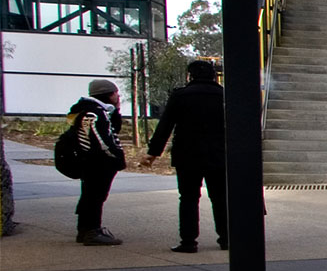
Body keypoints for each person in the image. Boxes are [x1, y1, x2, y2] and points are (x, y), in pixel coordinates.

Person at [143, 59, 226, 253]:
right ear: (213, 75)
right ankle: (226, 238)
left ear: (190, 76)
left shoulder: (180, 96)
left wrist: (153, 153)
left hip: (187, 155)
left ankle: (188, 241)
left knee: (188, 198)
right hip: (219, 154)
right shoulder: (223, 95)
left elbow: (165, 125)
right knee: (221, 198)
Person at [69, 79, 127, 245]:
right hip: (97, 162)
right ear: (109, 94)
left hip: (94, 161)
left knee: (93, 195)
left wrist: (117, 110)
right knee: (94, 195)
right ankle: (91, 231)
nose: (118, 96)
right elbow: (100, 139)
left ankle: (85, 230)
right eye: (116, 93)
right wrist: (114, 156)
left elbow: (114, 129)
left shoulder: (98, 111)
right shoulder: (93, 113)